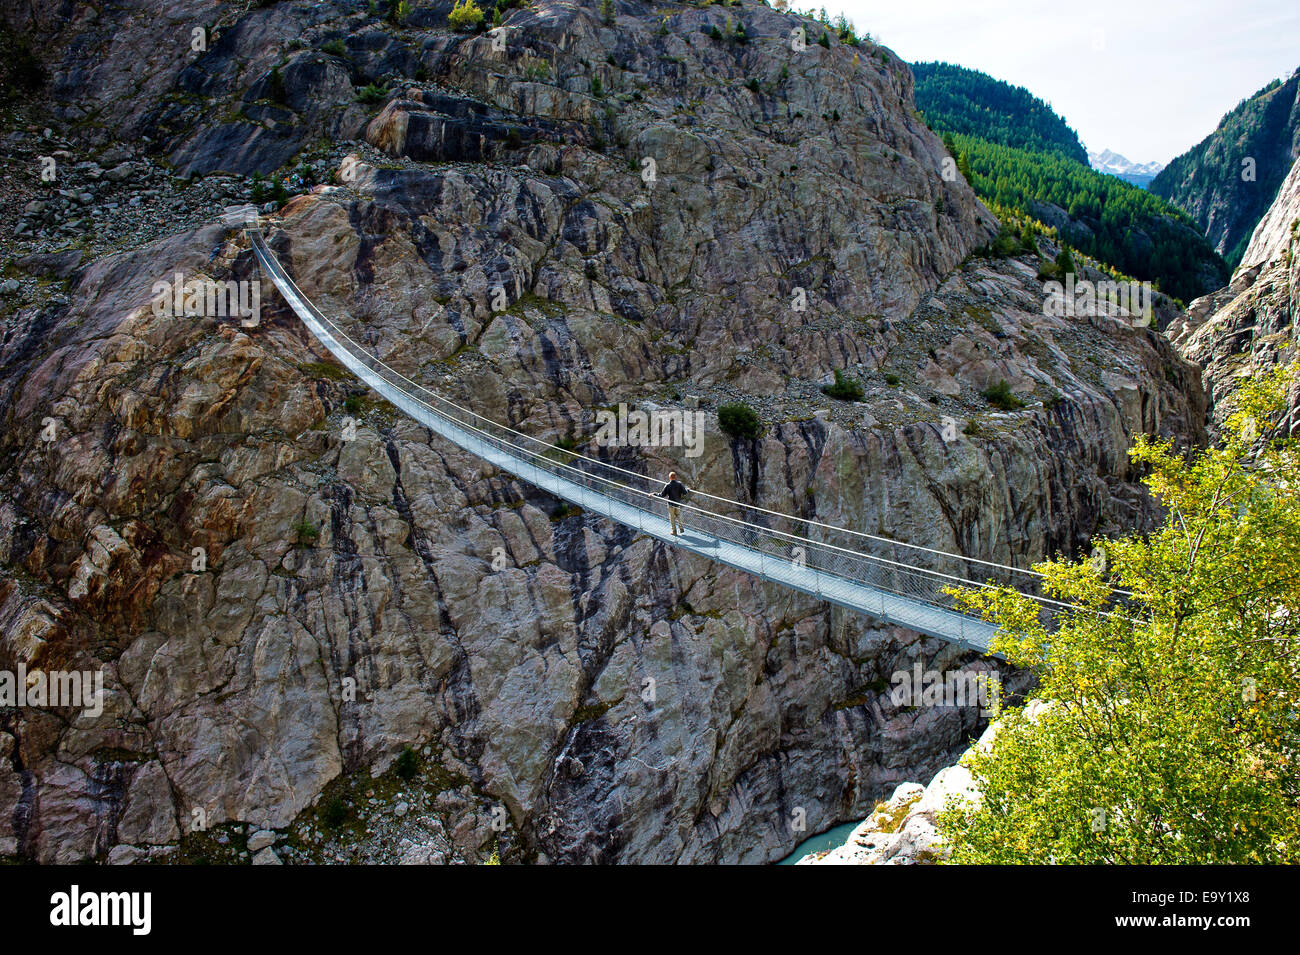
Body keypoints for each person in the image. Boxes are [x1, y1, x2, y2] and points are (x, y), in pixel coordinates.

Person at [658, 471, 688, 535]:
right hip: (677, 503)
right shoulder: (679, 484)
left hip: (671, 504)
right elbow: (685, 492)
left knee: (672, 518)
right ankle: (681, 528)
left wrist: (654, 494)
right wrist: (687, 490)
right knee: (678, 516)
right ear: (675, 477)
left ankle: (674, 531)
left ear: (669, 478)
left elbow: (662, 495)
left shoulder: (668, 485)